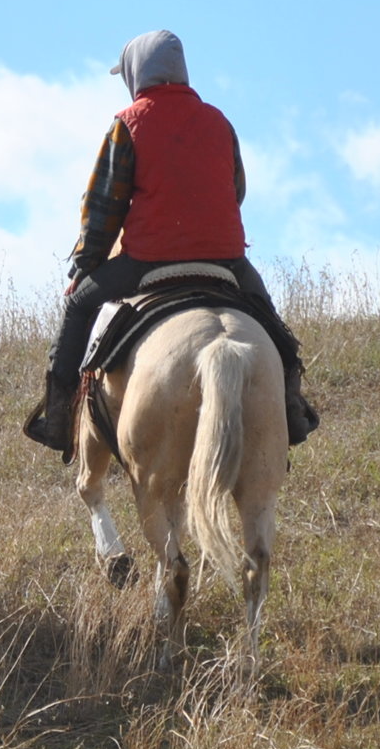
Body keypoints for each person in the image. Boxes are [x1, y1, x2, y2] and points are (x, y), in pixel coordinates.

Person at [23, 29, 318, 458]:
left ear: (136, 73)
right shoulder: (219, 121)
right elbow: (235, 190)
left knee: (77, 306)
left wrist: (85, 266)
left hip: (148, 259)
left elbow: (102, 208)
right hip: (226, 259)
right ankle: (291, 409)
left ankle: (58, 420)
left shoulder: (126, 124)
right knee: (271, 324)